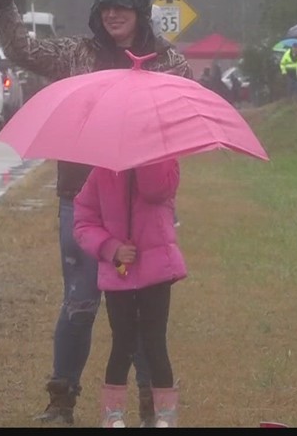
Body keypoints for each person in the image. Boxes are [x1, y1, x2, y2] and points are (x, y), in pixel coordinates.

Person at [0, 0, 192, 426]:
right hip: (82, 198)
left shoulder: (169, 63)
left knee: (143, 313)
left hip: (143, 203)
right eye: (105, 7)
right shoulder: (78, 54)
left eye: (123, 7)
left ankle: (151, 408)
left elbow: (181, 125)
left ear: (140, 10)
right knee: (81, 299)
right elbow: (23, 51)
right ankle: (61, 400)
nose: (113, 15)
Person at [73, 158, 186, 428]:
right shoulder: (101, 172)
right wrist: (111, 248)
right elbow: (83, 220)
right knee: (122, 342)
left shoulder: (165, 162)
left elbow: (156, 190)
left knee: (155, 342)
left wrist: (145, 161)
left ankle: (164, 415)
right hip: (119, 272)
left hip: (156, 270)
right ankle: (113, 414)